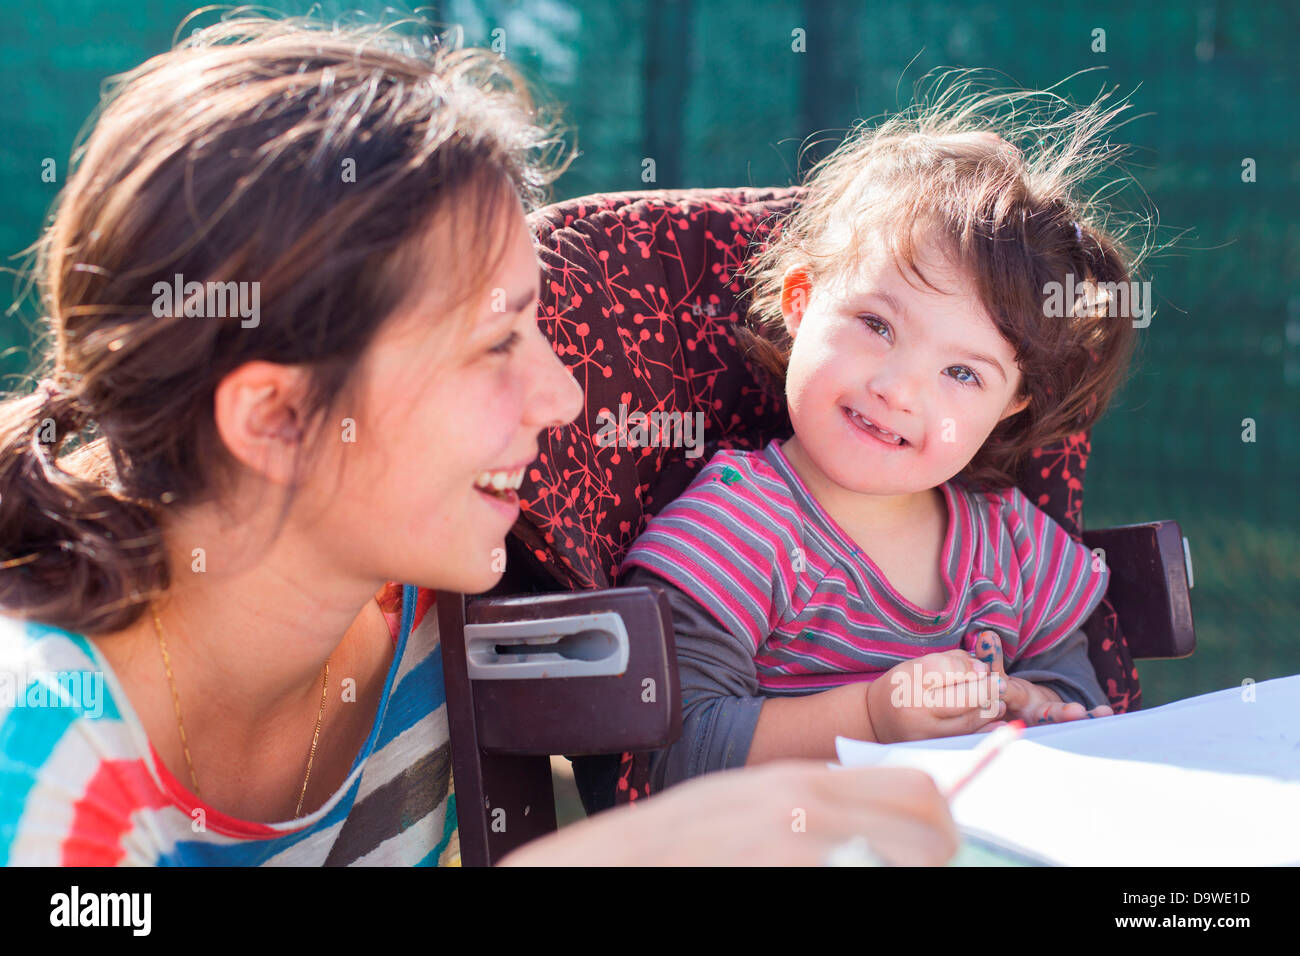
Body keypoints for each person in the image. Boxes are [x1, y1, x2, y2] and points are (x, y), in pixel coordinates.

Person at [0, 14, 957, 866]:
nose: (564, 397)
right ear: (274, 419)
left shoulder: (414, 605)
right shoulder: (35, 757)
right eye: (495, 341)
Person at [620, 86, 1147, 791]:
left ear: (1010, 405)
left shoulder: (1010, 543)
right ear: (801, 300)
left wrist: (1035, 704)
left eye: (962, 372)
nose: (899, 390)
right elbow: (676, 753)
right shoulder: (736, 530)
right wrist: (870, 717)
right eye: (877, 326)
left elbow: (1077, 701)